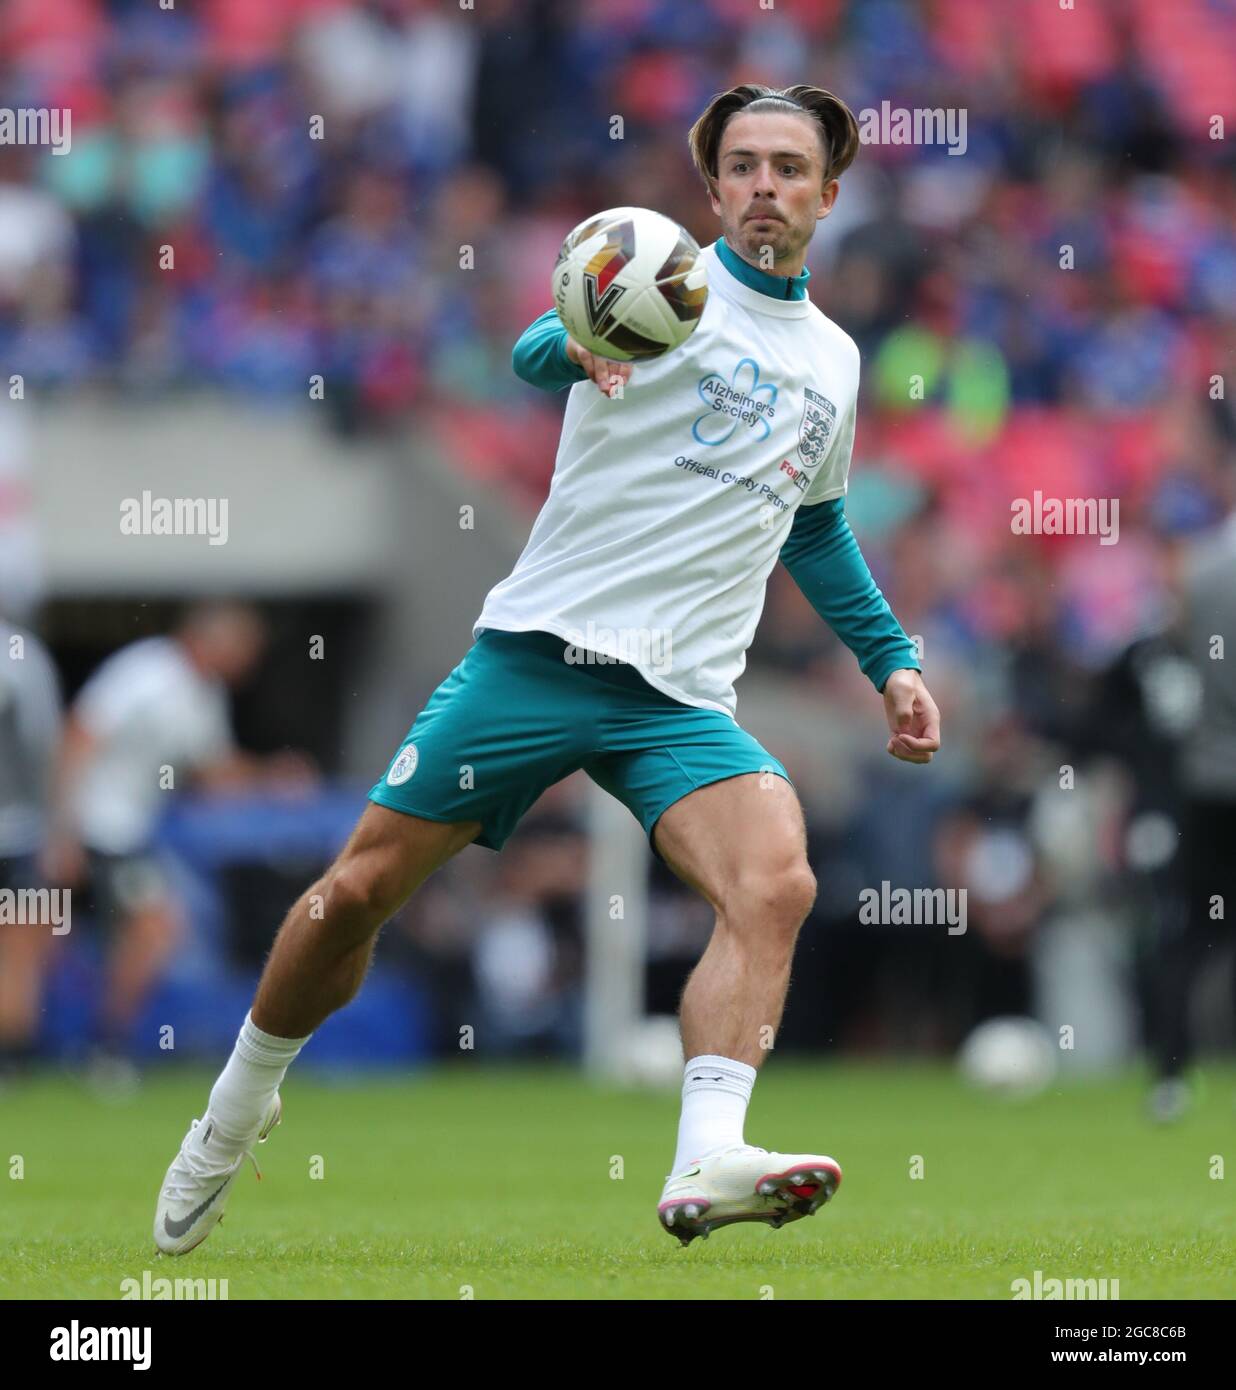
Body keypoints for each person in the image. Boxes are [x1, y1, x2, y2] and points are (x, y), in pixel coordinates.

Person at [153, 83, 941, 1254]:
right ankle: (235, 1108)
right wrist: (574, 340)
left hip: (680, 696)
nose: (765, 185)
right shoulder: (659, 273)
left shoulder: (832, 358)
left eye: (789, 166)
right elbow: (537, 349)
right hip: (543, 654)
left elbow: (814, 528)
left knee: (775, 877)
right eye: (743, 165)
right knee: (357, 893)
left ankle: (705, 1154)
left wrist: (892, 662)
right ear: (714, 182)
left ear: (829, 194)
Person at [45, 602, 295, 1092]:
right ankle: (100, 1048)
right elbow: (80, 732)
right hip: (98, 828)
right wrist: (63, 829)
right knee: (143, 928)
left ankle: (97, 1048)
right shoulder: (147, 671)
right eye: (243, 648)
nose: (248, 662)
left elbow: (211, 773)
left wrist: (272, 777)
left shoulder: (204, 695)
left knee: (128, 933)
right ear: (212, 639)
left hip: (125, 834)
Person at [0, 616, 63, 1081]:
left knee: (21, 948)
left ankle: (12, 1058)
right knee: (19, 950)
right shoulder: (24, 656)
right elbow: (47, 746)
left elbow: (46, 747)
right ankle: (12, 1062)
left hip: (19, 832)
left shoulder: (22, 657)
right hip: (20, 832)